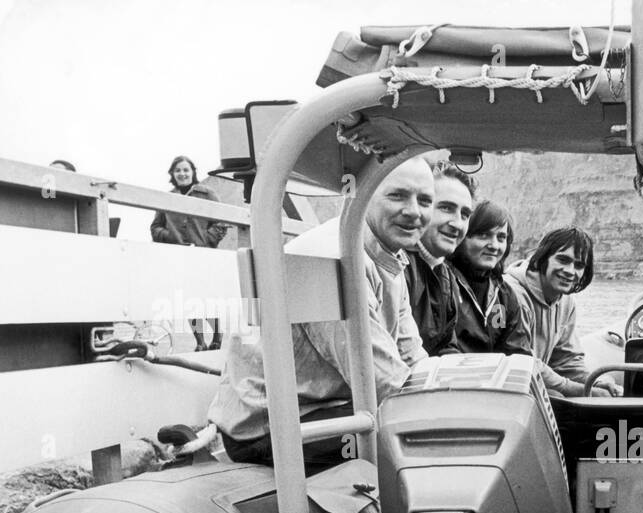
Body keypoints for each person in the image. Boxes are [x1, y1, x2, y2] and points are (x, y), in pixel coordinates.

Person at [208, 158, 440, 470]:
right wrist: (453, 412)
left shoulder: (387, 257)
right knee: (419, 439)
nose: (414, 211)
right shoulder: (333, 257)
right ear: (364, 194)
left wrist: (452, 392)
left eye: (424, 200)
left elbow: (412, 357)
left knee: (426, 424)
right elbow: (381, 381)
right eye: (397, 195)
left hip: (324, 407)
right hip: (267, 428)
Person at [505, 227, 617, 397]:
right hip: (507, 386)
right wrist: (579, 390)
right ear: (543, 257)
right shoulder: (512, 294)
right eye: (563, 260)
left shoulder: (566, 301)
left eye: (579, 265)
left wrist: (595, 382)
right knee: (558, 396)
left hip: (533, 384)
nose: (570, 271)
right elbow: (522, 360)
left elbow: (567, 360)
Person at [151, 156, 230, 350]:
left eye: (186, 170)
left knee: (208, 297)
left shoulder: (207, 194)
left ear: (193, 172)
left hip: (204, 256)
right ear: (172, 174)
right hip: (180, 257)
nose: (182, 174)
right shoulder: (167, 198)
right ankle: (200, 341)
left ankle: (216, 337)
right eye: (178, 170)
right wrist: (171, 237)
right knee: (189, 300)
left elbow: (222, 222)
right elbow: (155, 228)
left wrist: (207, 240)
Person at [405, 159, 476, 355]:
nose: (458, 224)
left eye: (465, 214)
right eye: (446, 208)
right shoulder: (397, 266)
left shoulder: (446, 276)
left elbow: (446, 347)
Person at [445, 201, 533, 356]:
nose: (494, 246)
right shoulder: (443, 282)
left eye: (501, 237)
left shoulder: (505, 296)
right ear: (462, 236)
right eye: (483, 235)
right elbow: (441, 347)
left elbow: (517, 352)